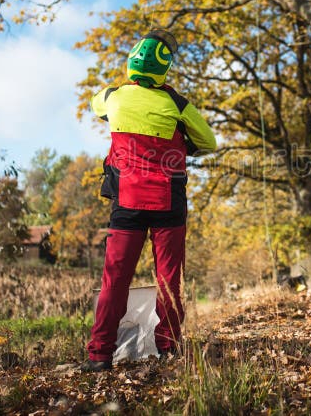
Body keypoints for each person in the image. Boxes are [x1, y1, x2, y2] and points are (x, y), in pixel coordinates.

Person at [81, 29, 216, 372]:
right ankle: (168, 347)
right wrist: (181, 136)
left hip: (126, 202)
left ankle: (99, 356)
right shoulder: (176, 103)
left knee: (115, 279)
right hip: (169, 201)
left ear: (131, 63)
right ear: (164, 70)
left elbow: (95, 106)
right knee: (169, 279)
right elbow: (209, 142)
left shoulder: (113, 96)